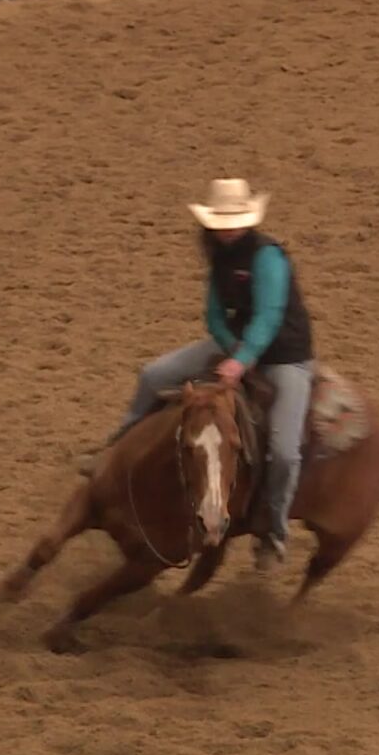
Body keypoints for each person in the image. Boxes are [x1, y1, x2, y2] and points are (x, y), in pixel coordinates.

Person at [78, 178, 317, 570]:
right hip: (237, 345)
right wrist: (232, 348)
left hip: (286, 358)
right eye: (221, 222)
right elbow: (213, 315)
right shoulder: (218, 255)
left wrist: (243, 359)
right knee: (154, 375)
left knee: (285, 451)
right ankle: (113, 449)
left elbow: (270, 315)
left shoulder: (269, 258)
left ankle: (272, 532)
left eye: (232, 221)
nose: (226, 229)